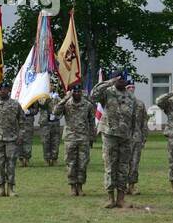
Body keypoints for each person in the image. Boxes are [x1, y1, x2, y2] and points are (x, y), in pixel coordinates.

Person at [91, 72, 136, 208]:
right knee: (110, 166)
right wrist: (109, 82)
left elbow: (132, 117)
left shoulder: (130, 96)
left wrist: (132, 133)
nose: (122, 81)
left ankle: (121, 199)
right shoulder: (107, 92)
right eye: (119, 79)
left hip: (125, 136)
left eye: (123, 79)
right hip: (110, 134)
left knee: (123, 167)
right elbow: (93, 94)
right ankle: (110, 198)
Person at [55, 83, 96, 196]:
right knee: (71, 163)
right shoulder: (67, 104)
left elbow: (92, 121)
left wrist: (92, 136)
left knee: (82, 163)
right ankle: (73, 187)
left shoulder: (87, 105)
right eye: (74, 91)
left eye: (79, 91)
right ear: (71, 92)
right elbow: (55, 111)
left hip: (83, 137)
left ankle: (80, 186)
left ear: (81, 92)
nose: (77, 93)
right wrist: (65, 98)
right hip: (70, 138)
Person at [125, 82, 148, 196]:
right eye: (129, 87)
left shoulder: (140, 104)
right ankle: (122, 186)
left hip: (136, 137)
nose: (131, 89)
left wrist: (144, 138)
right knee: (123, 163)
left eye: (133, 87)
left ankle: (132, 186)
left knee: (134, 163)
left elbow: (144, 122)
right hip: (123, 137)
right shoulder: (121, 103)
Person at [39, 91, 63, 166]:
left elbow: (62, 107)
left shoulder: (57, 97)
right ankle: (47, 159)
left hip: (55, 122)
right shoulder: (41, 96)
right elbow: (42, 105)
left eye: (52, 84)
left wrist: (57, 116)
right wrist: (48, 98)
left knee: (55, 141)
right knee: (45, 141)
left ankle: (54, 158)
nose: (50, 86)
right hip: (45, 122)